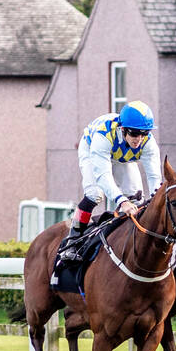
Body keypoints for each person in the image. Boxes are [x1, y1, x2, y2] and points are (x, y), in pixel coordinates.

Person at [58, 101, 160, 261]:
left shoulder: (148, 143)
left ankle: (127, 240)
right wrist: (121, 201)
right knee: (94, 194)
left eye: (144, 133)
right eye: (134, 133)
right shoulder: (103, 136)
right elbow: (103, 176)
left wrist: (156, 198)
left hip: (120, 157)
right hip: (92, 148)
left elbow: (154, 177)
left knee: (136, 198)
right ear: (123, 129)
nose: (139, 139)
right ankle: (72, 242)